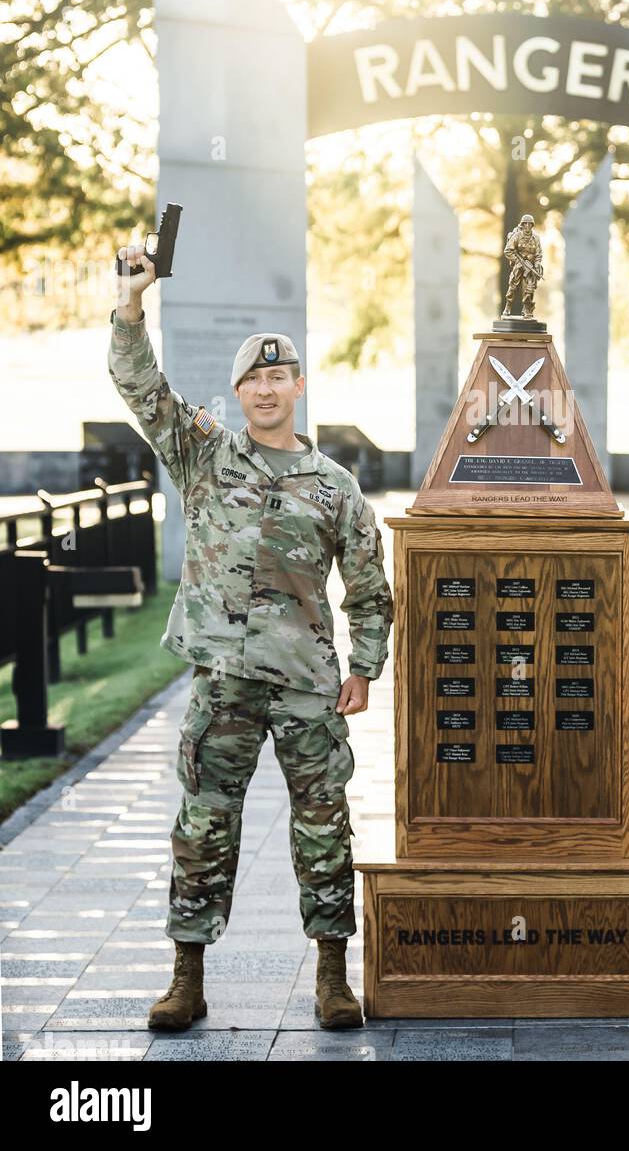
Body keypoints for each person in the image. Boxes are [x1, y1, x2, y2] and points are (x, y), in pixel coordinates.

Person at [109, 241, 393, 1032]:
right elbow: (139, 385)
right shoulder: (202, 454)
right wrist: (133, 305)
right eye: (253, 379)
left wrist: (364, 668)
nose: (266, 389)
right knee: (203, 824)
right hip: (223, 679)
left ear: (297, 386)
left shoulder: (336, 488)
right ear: (236, 392)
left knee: (324, 823)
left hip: (306, 681)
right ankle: (187, 977)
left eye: (279, 376)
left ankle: (333, 977)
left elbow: (372, 589)